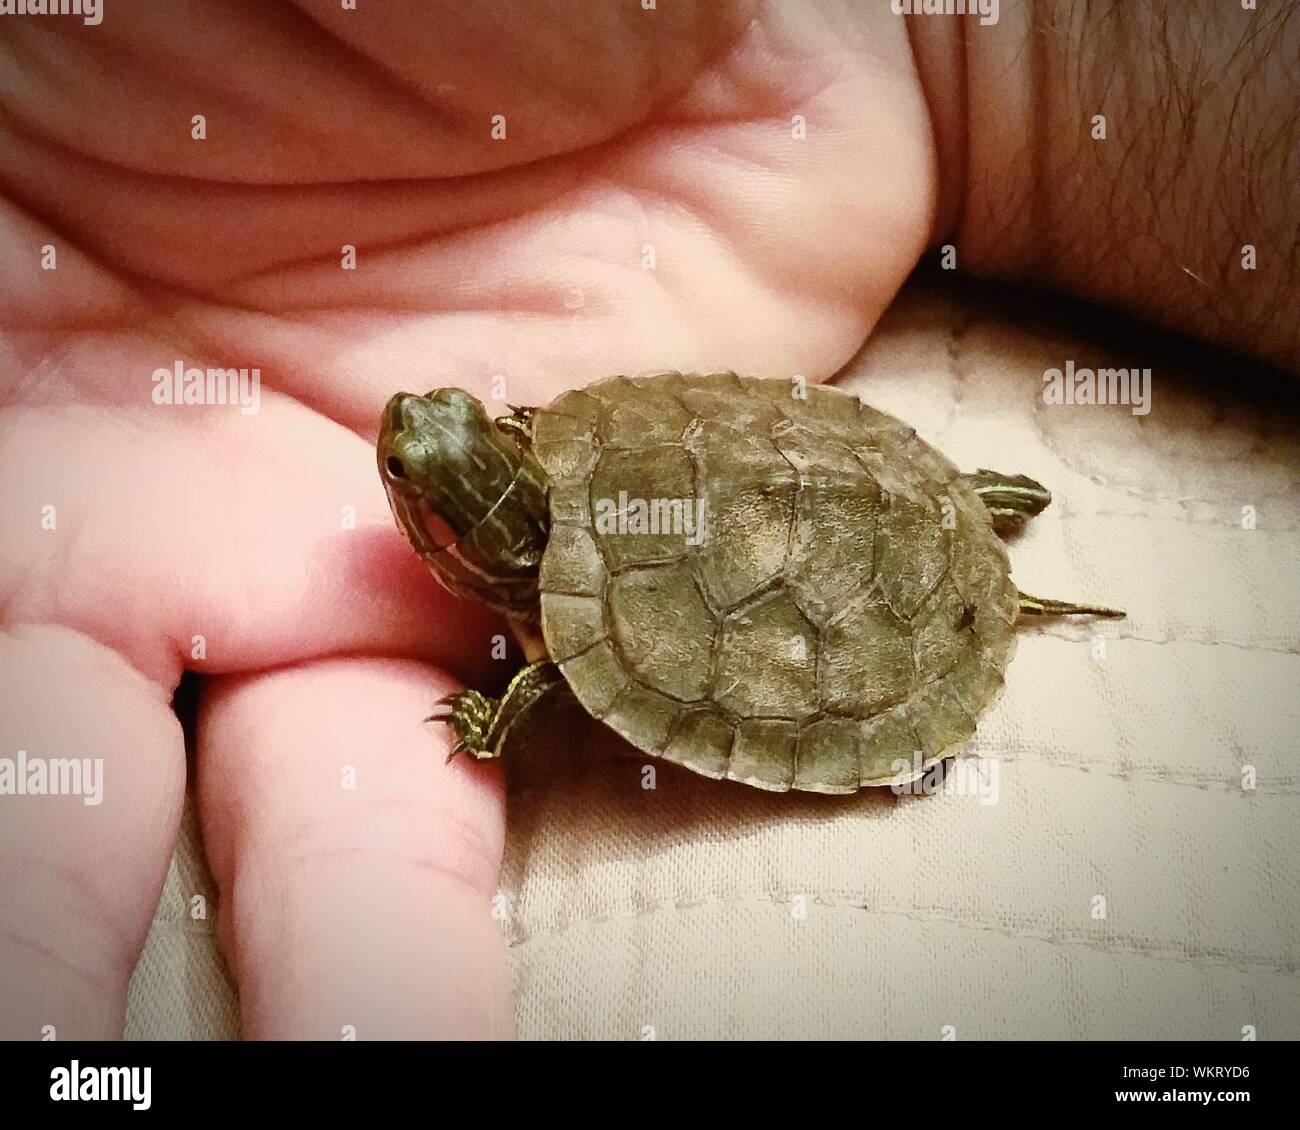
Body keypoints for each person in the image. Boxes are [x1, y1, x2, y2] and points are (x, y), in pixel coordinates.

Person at [0, 0, 1292, 1039]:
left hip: (859, 523)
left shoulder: (569, 537)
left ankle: (934, 625)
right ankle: (966, 509)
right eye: (419, 461)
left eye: (432, 442)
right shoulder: (577, 486)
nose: (408, 434)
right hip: (884, 478)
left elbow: (564, 650)